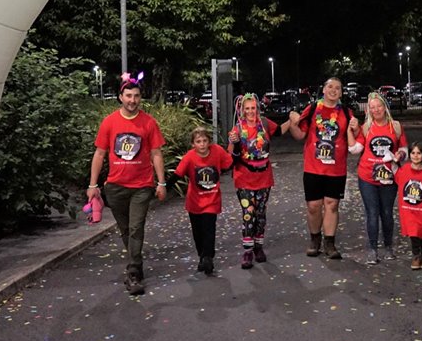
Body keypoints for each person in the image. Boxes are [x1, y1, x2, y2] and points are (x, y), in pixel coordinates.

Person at [87, 72, 168, 296]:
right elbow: (100, 153)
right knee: (125, 230)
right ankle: (136, 261)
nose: (133, 100)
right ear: (120, 97)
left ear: (141, 98)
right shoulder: (110, 122)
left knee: (135, 228)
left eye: (137, 96)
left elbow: (156, 154)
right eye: (128, 95)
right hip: (115, 187)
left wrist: (161, 182)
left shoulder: (148, 123)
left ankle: (133, 272)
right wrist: (93, 185)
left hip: (142, 186)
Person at [288, 77, 356, 259]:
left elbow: (354, 140)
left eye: (338, 88)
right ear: (324, 90)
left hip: (336, 169)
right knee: (313, 206)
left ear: (341, 93)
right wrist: (293, 123)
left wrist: (356, 129)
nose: (334, 90)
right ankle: (314, 239)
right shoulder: (312, 110)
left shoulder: (347, 113)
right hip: (313, 167)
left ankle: (330, 243)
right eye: (330, 87)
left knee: (332, 205)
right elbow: (299, 135)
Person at [227, 93, 292, 269]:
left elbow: (279, 130)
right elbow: (230, 157)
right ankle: (247, 251)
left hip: (264, 177)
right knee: (249, 213)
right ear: (241, 110)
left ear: (257, 108)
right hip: (244, 177)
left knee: (260, 214)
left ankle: (258, 246)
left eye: (253, 108)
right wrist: (233, 142)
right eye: (247, 108)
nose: (250, 111)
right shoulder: (237, 129)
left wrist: (293, 119)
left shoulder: (264, 123)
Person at [347, 91, 407, 264]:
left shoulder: (395, 126)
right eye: (372, 107)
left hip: (389, 177)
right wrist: (349, 130)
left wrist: (400, 156)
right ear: (369, 110)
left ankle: (388, 247)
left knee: (387, 213)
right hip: (367, 176)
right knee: (372, 213)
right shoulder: (366, 128)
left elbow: (403, 148)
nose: (376, 110)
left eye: (378, 106)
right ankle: (372, 249)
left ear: (384, 107)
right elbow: (355, 149)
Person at [171, 126, 233, 275]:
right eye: (198, 141)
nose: (202, 144)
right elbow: (177, 174)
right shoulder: (190, 157)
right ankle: (202, 256)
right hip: (194, 202)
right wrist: (162, 187)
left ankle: (208, 258)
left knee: (209, 230)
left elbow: (229, 163)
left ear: (209, 142)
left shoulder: (217, 151)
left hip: (212, 200)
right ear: (193, 144)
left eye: (205, 141)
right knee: (198, 232)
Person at [396, 141, 422, 270]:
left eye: (419, 153)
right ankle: (416, 255)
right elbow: (395, 174)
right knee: (413, 231)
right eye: (413, 153)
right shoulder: (404, 169)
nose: (415, 156)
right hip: (409, 209)